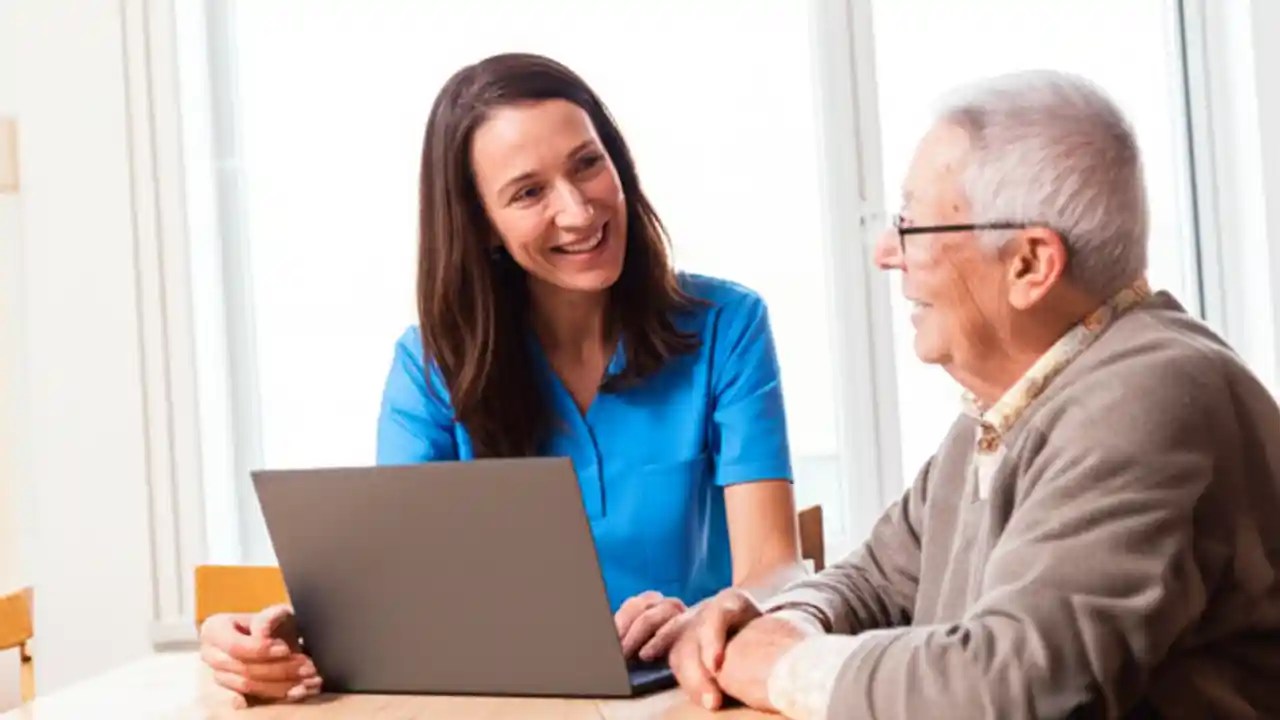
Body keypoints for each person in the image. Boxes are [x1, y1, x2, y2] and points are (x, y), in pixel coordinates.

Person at [669, 69, 1280, 718]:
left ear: (1030, 264)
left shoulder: (1147, 399)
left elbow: (1014, 687)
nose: (886, 253)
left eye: (912, 225)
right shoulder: (1011, 407)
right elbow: (879, 580)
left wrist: (782, 665)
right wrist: (785, 617)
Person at [198, 52, 805, 704]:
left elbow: (775, 567)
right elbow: (391, 592)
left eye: (587, 165)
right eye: (528, 193)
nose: (577, 211)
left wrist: (715, 614)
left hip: (684, 695)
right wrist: (275, 635)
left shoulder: (728, 326)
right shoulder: (430, 368)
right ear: (480, 224)